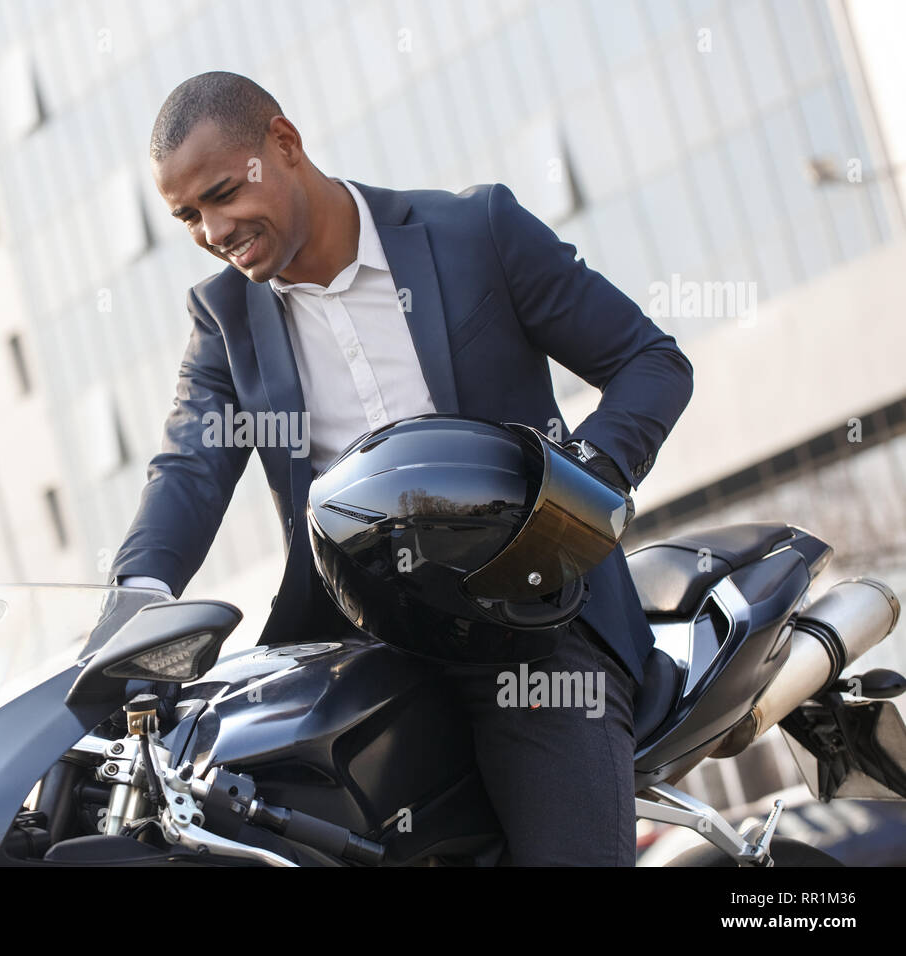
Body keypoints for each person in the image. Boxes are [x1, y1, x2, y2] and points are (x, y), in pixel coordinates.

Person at [108, 71, 693, 865]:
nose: (212, 231)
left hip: (535, 630)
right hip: (359, 651)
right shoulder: (225, 321)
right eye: (187, 218)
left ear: (283, 144)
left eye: (220, 195)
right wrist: (133, 609)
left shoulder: (476, 231)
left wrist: (576, 485)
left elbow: (649, 362)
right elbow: (188, 470)